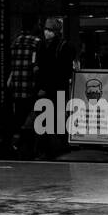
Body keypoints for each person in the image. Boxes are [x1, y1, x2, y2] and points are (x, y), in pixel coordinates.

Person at [35, 17, 76, 159]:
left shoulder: (62, 46)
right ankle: (52, 149)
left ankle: (54, 149)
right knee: (47, 120)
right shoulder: (43, 45)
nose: (47, 32)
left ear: (56, 32)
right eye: (46, 29)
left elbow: (60, 71)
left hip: (54, 89)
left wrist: (44, 86)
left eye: (50, 30)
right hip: (52, 89)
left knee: (52, 120)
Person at [3, 17, 41, 159]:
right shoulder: (36, 43)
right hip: (30, 88)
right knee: (30, 120)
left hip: (16, 88)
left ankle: (15, 145)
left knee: (18, 117)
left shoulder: (15, 42)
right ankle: (25, 146)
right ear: (34, 26)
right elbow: (36, 67)